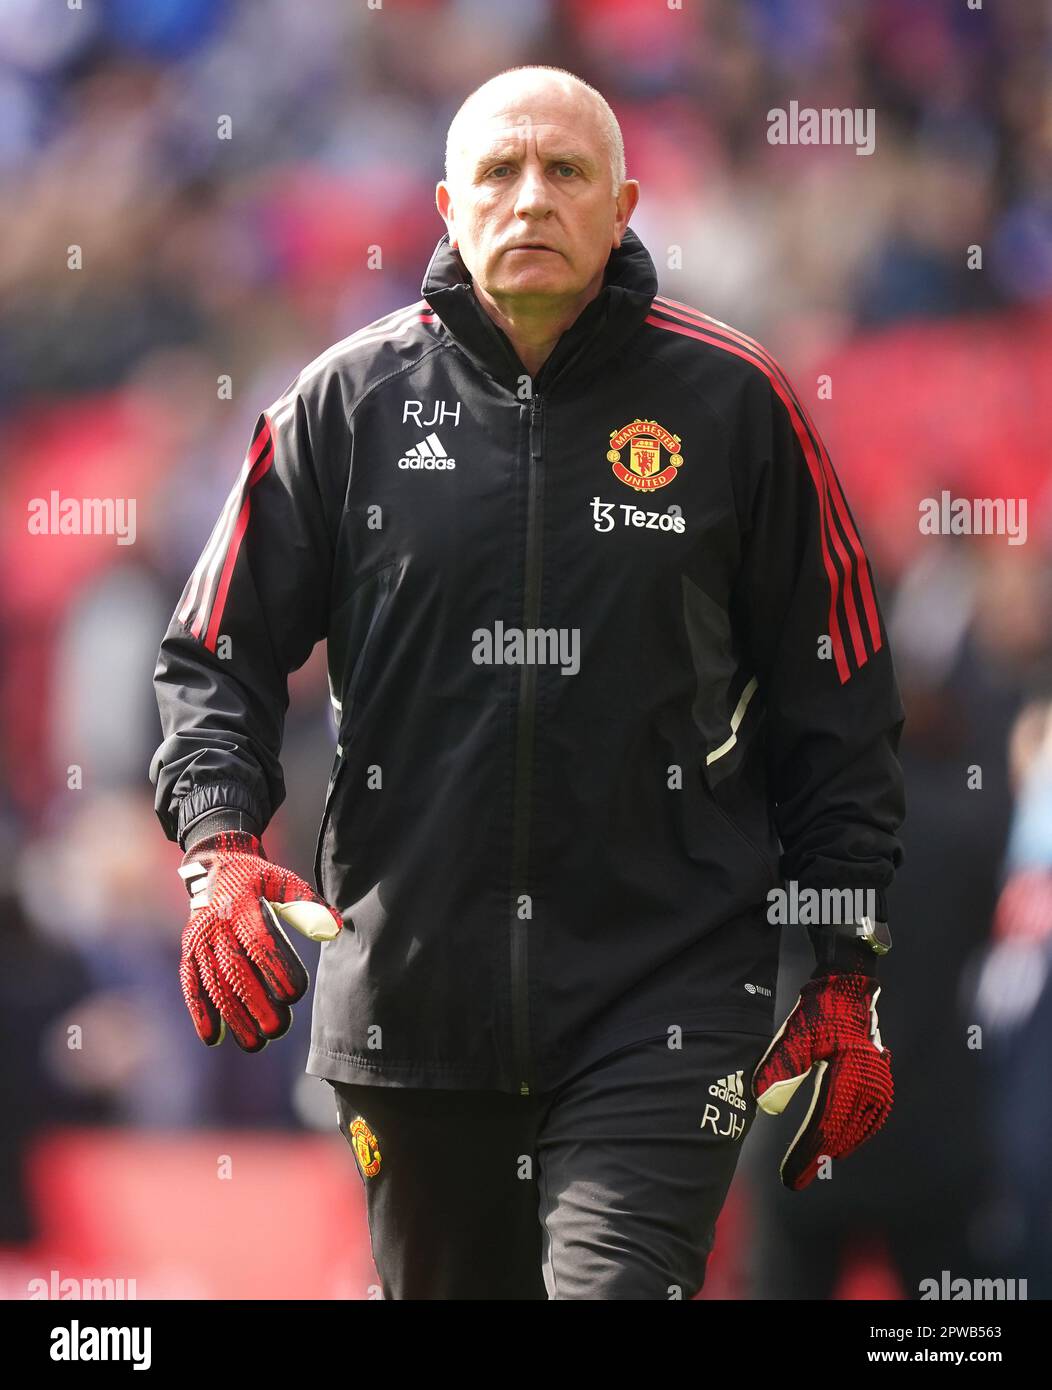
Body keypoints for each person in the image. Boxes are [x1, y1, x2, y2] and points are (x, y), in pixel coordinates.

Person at [150, 65, 906, 1300]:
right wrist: (219, 844)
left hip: (665, 1002)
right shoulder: (341, 406)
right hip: (409, 1005)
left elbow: (840, 703)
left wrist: (844, 974)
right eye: (498, 172)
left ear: (624, 206)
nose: (529, 198)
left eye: (565, 171)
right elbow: (209, 651)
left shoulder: (739, 404)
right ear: (448, 206)